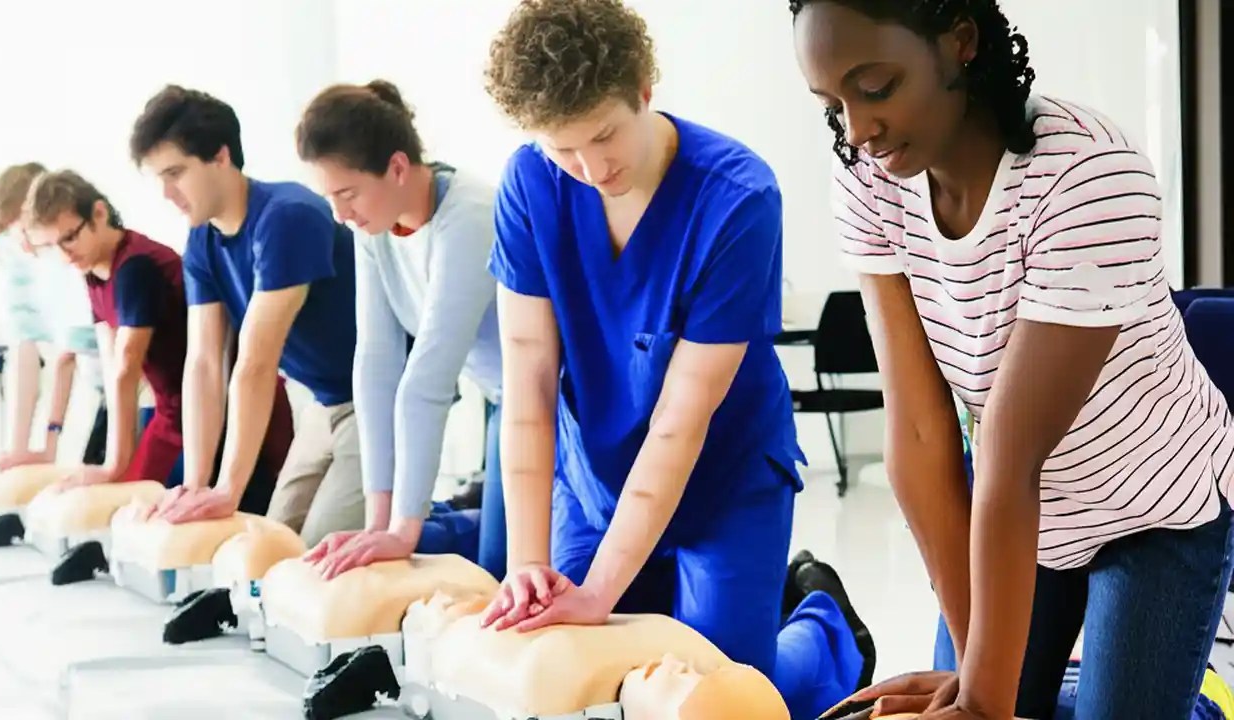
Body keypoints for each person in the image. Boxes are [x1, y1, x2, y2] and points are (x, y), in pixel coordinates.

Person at [791, 1, 1234, 718]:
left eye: (874, 88)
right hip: (1018, 510)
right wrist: (975, 682)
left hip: (1152, 508)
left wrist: (983, 702)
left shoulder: (1091, 176)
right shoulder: (868, 178)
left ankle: (1199, 702)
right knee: (976, 693)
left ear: (960, 41)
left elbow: (1009, 448)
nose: (856, 129)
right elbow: (919, 432)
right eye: (830, 104)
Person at [478, 1, 873, 717]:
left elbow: (680, 424)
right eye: (562, 150)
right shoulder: (530, 185)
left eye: (603, 136)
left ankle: (825, 630)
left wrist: (600, 591)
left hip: (724, 480)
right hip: (596, 480)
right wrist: (527, 564)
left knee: (727, 694)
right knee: (571, 672)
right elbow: (528, 387)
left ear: (644, 92)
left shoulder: (736, 198)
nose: (590, 169)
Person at [293, 80, 507, 580]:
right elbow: (377, 365)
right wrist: (378, 523)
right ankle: (458, 513)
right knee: (390, 540)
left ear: (396, 168)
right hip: (503, 395)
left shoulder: (470, 215)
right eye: (330, 198)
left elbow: (429, 375)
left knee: (499, 567)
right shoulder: (375, 227)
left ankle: (455, 517)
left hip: (557, 399)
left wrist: (404, 528)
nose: (339, 214)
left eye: (347, 194)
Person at [128, 85, 360, 545]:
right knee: (271, 544)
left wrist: (229, 490)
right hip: (320, 404)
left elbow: (255, 361)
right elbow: (204, 362)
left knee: (318, 553)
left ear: (220, 156)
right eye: (157, 178)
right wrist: (197, 484)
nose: (167, 194)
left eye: (176, 173)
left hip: (376, 401)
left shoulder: (287, 216)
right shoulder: (202, 241)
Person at [20, 170, 292, 508]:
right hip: (176, 413)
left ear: (100, 214)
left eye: (69, 238)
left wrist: (114, 466)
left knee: (224, 514)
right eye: (51, 247)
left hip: (225, 410)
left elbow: (126, 368)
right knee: (135, 509)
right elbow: (111, 365)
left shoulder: (136, 267)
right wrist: (114, 467)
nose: (64, 255)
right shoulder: (94, 274)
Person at [0, 163, 104, 471]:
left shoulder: (74, 257)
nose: (23, 244)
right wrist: (31, 448)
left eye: (26, 231)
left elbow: (118, 363)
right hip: (104, 391)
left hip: (139, 393)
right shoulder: (28, 261)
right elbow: (54, 354)